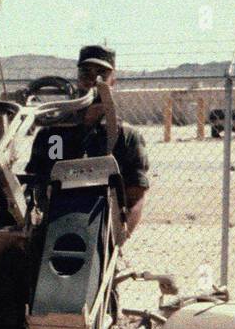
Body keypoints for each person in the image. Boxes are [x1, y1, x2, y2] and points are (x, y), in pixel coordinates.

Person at [25, 44, 149, 236]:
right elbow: (37, 183)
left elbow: (136, 197)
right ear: (78, 78)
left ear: (112, 80)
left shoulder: (126, 137)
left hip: (100, 231)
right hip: (53, 228)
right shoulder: (55, 133)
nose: (93, 81)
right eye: (86, 74)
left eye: (101, 74)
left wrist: (119, 241)